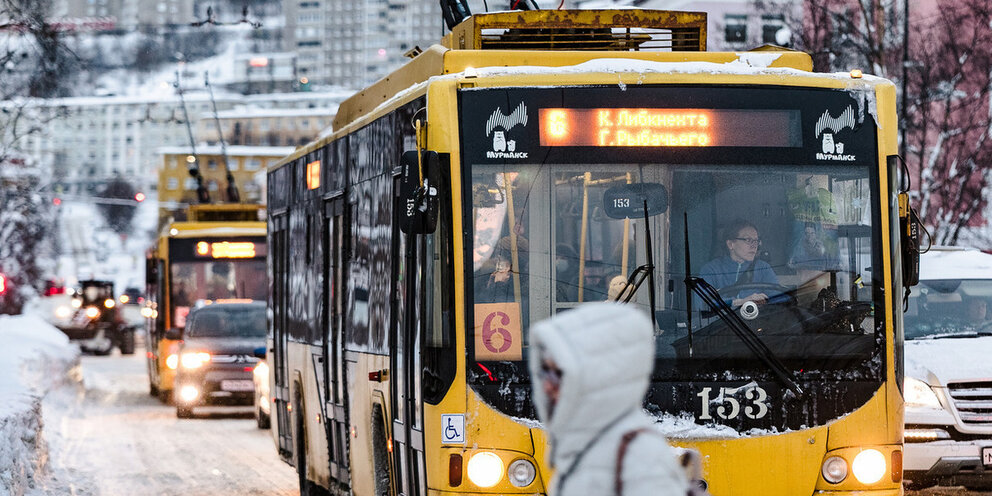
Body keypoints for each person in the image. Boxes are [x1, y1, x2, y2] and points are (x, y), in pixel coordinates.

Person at [529, 302, 689, 496]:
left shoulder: (635, 454)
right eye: (544, 371)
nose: (547, 384)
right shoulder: (588, 440)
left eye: (559, 373)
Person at [699, 219, 780, 307]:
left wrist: (766, 301)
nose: (754, 245)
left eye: (756, 241)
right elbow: (702, 304)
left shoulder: (763, 268)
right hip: (721, 320)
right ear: (730, 244)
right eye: (748, 240)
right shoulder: (711, 270)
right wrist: (739, 302)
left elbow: (779, 298)